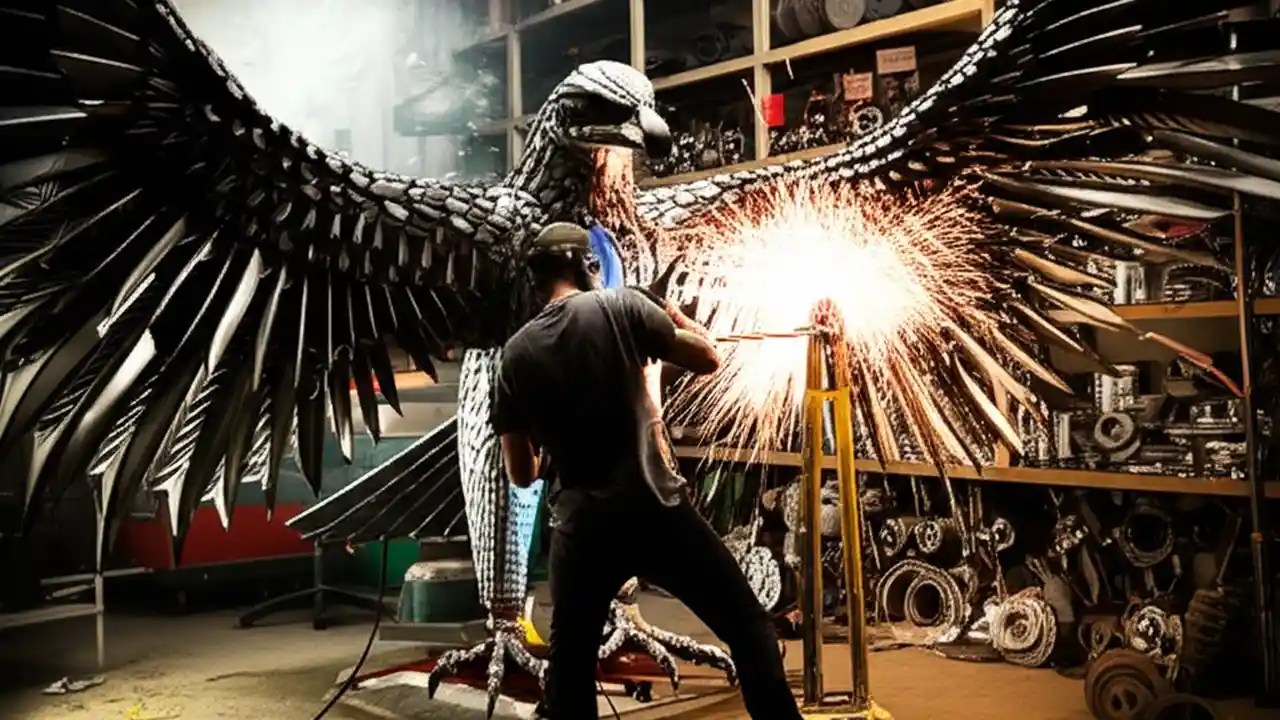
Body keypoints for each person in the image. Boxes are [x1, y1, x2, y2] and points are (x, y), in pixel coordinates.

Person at [491, 222, 802, 719]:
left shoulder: (514, 356)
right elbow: (708, 358)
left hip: (582, 527)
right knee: (748, 626)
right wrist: (671, 314)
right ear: (585, 266)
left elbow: (521, 474)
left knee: (570, 673)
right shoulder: (621, 306)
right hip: (656, 510)